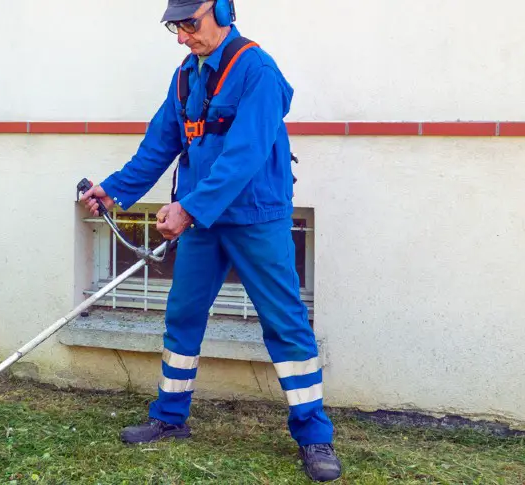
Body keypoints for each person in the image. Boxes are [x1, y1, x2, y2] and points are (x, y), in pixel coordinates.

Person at [78, 0, 342, 481]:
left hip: (255, 218)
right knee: (182, 314)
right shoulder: (186, 75)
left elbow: (244, 154)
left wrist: (188, 209)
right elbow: (160, 143)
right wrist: (113, 190)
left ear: (223, 11)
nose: (182, 36)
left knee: (284, 322)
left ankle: (314, 436)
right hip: (203, 222)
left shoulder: (257, 70)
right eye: (175, 28)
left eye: (189, 24)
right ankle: (170, 417)